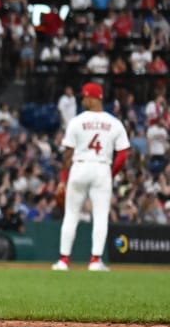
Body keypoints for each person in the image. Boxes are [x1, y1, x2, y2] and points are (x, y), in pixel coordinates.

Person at [53, 82, 130, 272]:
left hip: (79, 166)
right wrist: (111, 173)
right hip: (102, 167)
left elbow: (68, 154)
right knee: (101, 216)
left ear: (94, 98)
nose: (83, 100)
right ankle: (95, 261)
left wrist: (63, 179)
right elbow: (123, 154)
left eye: (85, 97)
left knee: (71, 215)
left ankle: (63, 260)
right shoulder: (114, 123)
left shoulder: (76, 121)